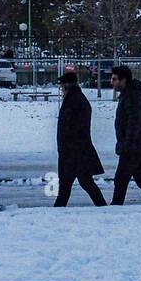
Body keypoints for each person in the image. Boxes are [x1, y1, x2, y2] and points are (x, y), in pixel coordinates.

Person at [109, 65, 141, 205]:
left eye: (114, 79)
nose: (112, 82)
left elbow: (134, 122)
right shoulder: (129, 94)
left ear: (123, 80)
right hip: (134, 145)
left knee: (121, 178)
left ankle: (115, 206)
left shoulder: (132, 96)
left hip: (132, 146)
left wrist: (127, 143)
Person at [54, 71, 107, 207]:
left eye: (62, 86)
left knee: (70, 185)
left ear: (66, 86)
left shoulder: (74, 101)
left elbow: (71, 128)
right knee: (82, 183)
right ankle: (102, 207)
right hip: (75, 151)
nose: (61, 90)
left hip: (74, 152)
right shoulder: (76, 99)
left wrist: (66, 148)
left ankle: (57, 211)